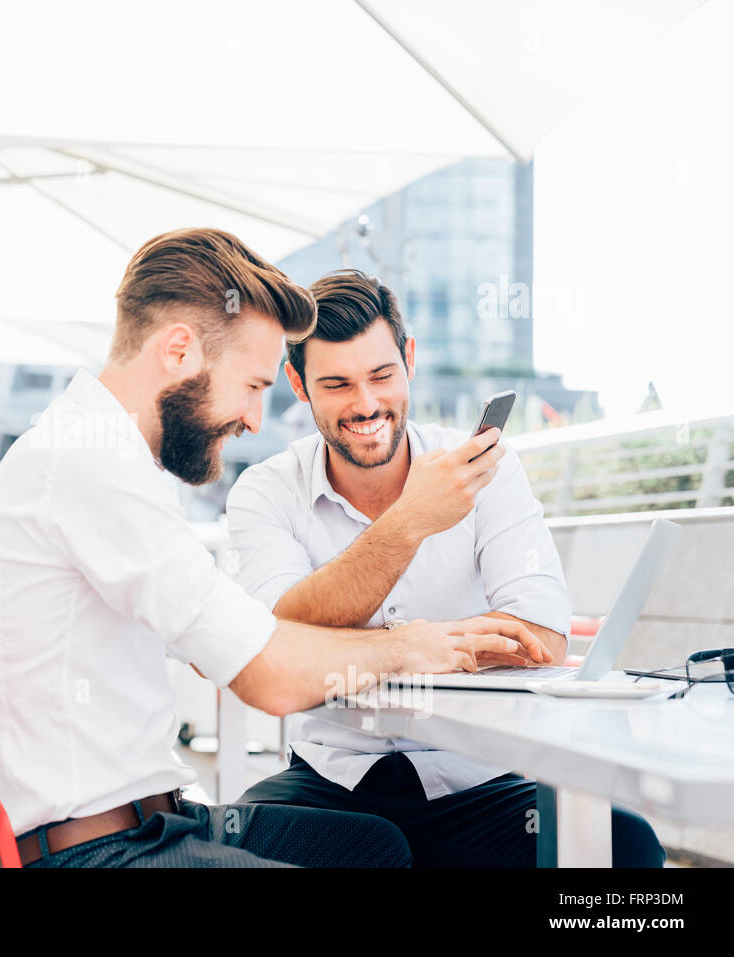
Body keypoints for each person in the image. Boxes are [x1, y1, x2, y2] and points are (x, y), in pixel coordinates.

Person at [0, 229, 547, 868]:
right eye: (250, 386)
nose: (253, 420)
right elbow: (268, 675)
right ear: (179, 350)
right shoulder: (89, 462)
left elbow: (251, 634)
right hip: (93, 851)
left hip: (154, 822)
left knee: (369, 848)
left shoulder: (104, 453)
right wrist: (410, 645)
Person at [226, 268, 664, 867]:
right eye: (337, 385)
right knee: (246, 846)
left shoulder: (486, 468)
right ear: (299, 385)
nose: (367, 404)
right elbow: (276, 637)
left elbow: (541, 635)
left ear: (408, 358)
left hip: (477, 782)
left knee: (626, 847)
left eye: (382, 375)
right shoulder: (266, 490)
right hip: (333, 777)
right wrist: (411, 523)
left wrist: (393, 644)